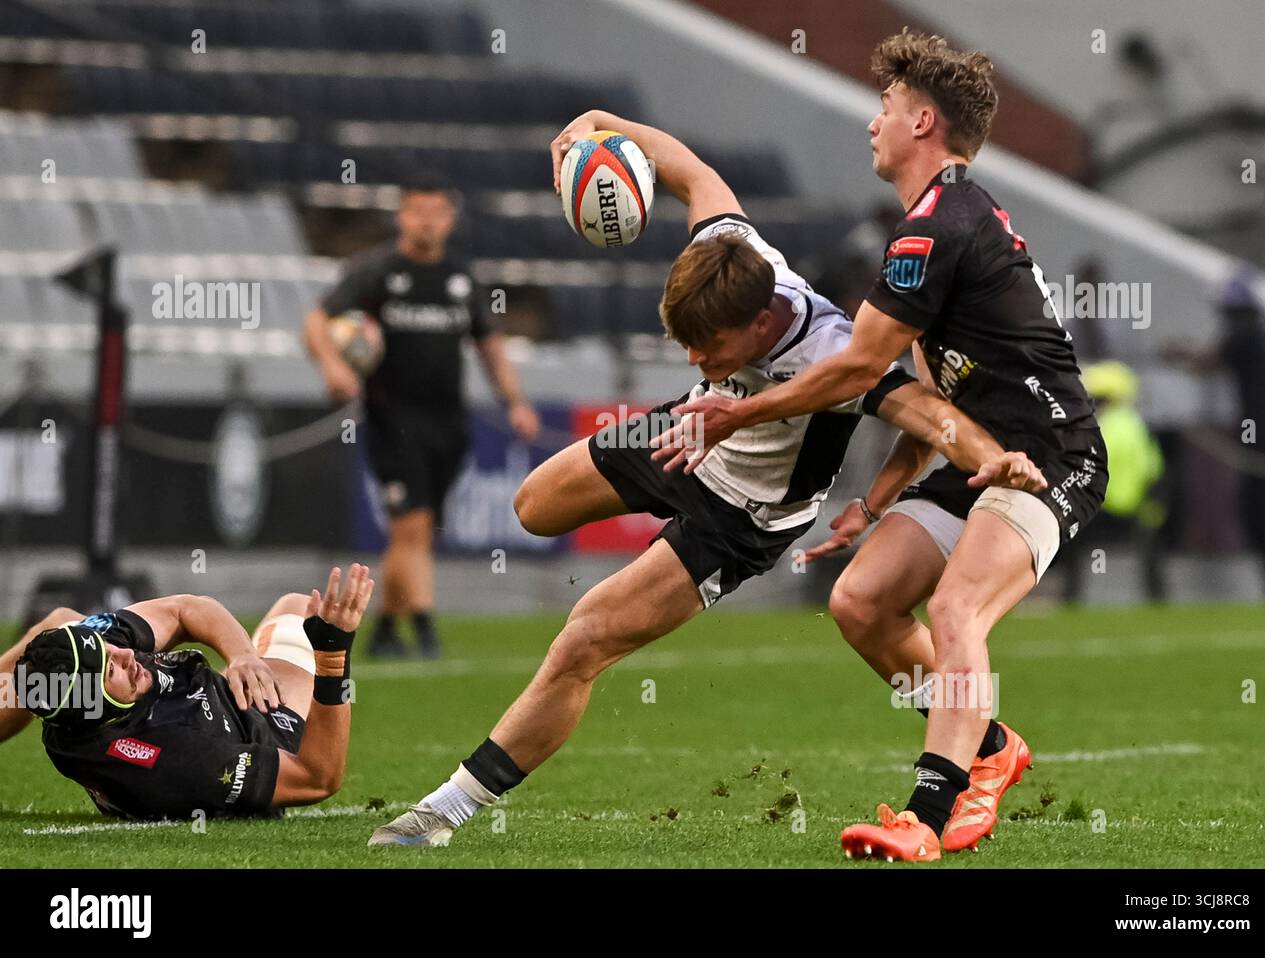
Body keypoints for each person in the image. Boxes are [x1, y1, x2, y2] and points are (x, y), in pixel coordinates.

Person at [367, 108, 1045, 847]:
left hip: (744, 517)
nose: (695, 357)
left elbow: (931, 416)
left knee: (585, 637)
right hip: (686, 431)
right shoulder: (732, 248)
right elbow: (689, 169)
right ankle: (985, 741)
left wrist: (992, 460)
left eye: (708, 346)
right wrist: (600, 125)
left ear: (761, 325)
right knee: (533, 506)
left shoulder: (839, 355)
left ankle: (444, 813)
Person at [654, 31, 1109, 861]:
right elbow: (935, 393)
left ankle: (929, 816)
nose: (874, 123)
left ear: (923, 122)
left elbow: (860, 367)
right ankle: (990, 745)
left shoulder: (935, 229)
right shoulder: (944, 219)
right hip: (981, 460)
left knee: (955, 608)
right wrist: (877, 499)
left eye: (887, 108)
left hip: (1049, 460)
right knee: (861, 602)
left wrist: (734, 415)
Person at [304, 174, 541, 659]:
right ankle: (425, 627)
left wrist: (514, 401)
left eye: (437, 212)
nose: (427, 221)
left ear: (449, 219)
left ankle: (386, 630)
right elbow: (316, 320)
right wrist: (333, 365)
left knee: (417, 528)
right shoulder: (379, 272)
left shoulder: (460, 278)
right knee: (410, 527)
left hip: (449, 424)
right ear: (402, 215)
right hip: (394, 420)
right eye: (418, 211)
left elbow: (490, 345)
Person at [0, 565, 372, 819]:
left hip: (202, 695)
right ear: (97, 709)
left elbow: (184, 610)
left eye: (110, 648)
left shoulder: (74, 690)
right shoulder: (174, 761)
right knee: (303, 615)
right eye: (112, 668)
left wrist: (242, 655)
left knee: (56, 628)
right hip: (260, 723)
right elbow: (317, 777)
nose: (127, 655)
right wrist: (333, 657)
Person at [1165, 273, 1265, 596]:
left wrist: (1177, 352)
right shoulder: (1257, 333)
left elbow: (1207, 362)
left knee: (1263, 509)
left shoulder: (1246, 334)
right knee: (1261, 508)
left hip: (1263, 431)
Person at [1059, 361, 1167, 602]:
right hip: (1135, 510)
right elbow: (1154, 470)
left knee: (1067, 535)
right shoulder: (1137, 424)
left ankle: (1070, 596)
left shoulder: (1102, 426)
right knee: (1150, 550)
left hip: (1103, 507)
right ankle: (1158, 598)